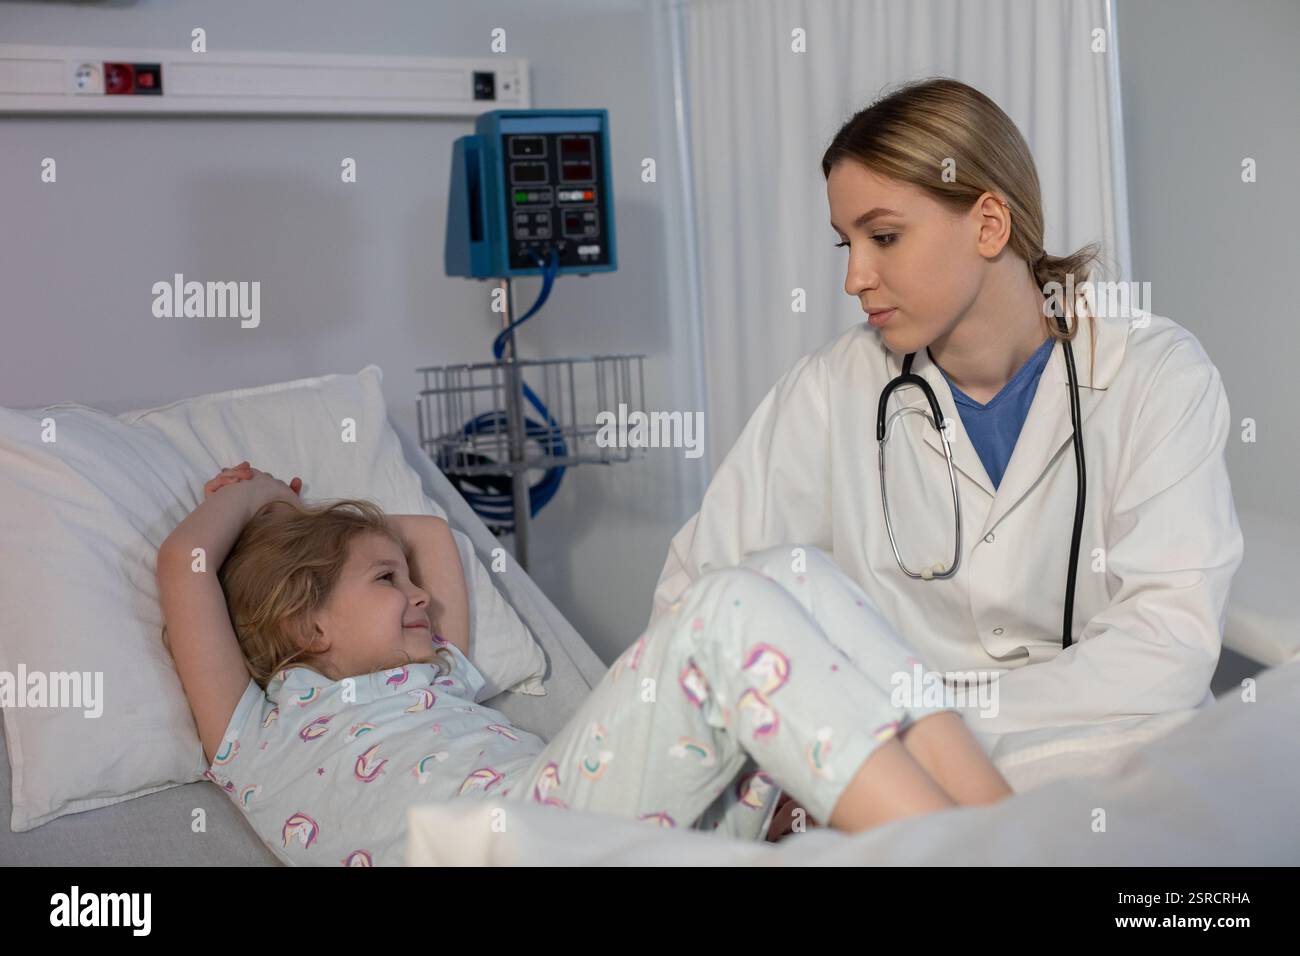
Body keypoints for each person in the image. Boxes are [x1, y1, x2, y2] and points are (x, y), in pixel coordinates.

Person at [648, 78, 1244, 829]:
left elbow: (1170, 645)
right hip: (904, 776)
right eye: (847, 243)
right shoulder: (833, 391)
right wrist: (807, 753)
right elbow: (696, 601)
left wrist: (920, 712)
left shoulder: (1155, 375)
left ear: (989, 222)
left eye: (884, 237)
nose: (854, 276)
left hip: (1105, 752)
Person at [156, 463, 1012, 864]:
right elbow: (184, 563)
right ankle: (972, 854)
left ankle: (1000, 832)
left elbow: (428, 533)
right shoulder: (258, 734)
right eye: (388, 583)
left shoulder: (435, 672)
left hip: (598, 827)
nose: (420, 594)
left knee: (790, 570)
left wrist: (322, 523)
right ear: (306, 623)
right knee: (723, 609)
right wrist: (260, 496)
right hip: (514, 844)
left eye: (410, 585)